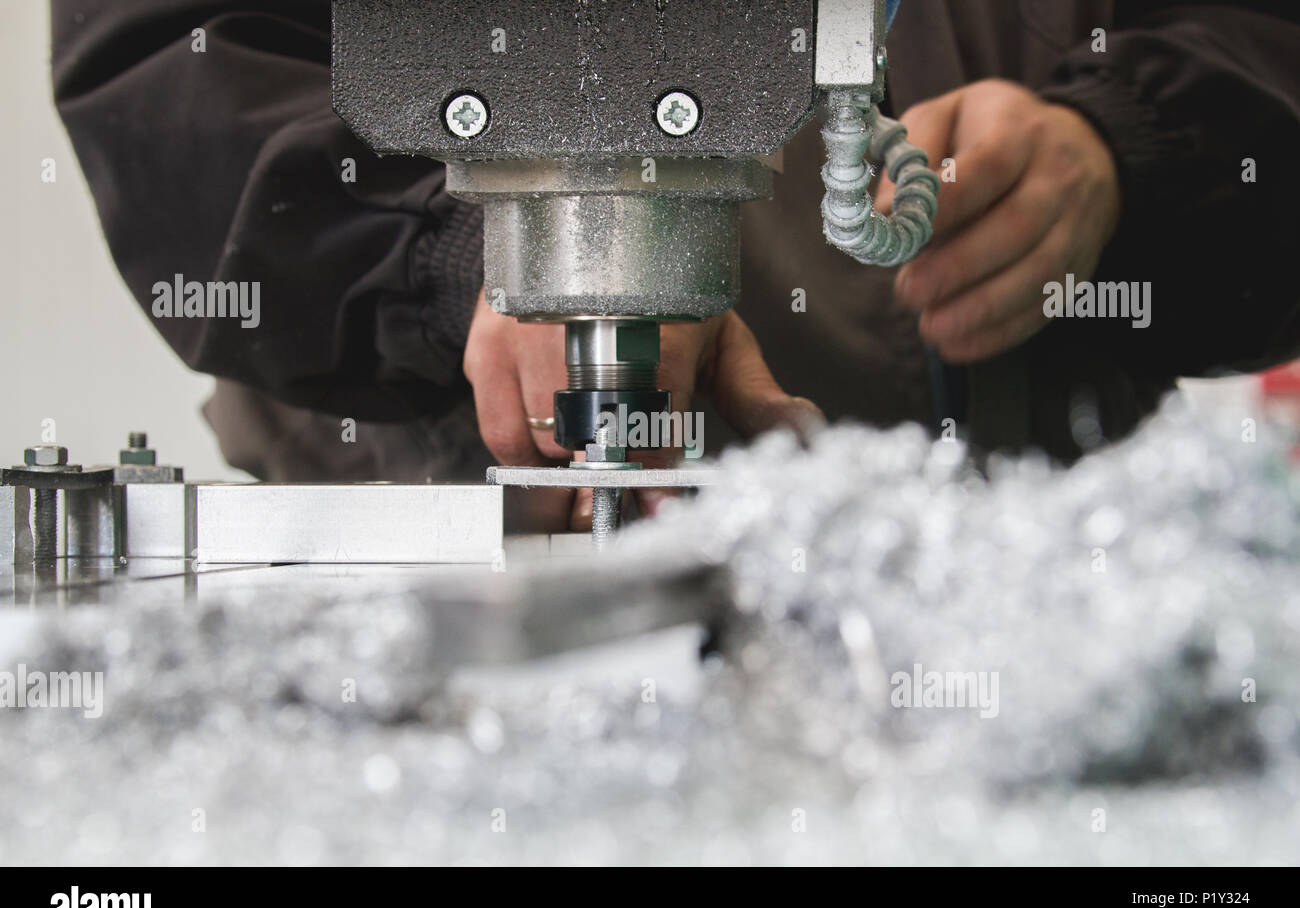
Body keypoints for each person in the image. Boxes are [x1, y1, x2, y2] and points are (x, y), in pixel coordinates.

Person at [52, 0, 1300, 528]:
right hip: (450, 603)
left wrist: (1128, 145)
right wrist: (468, 254)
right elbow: (168, 55)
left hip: (1042, 629)